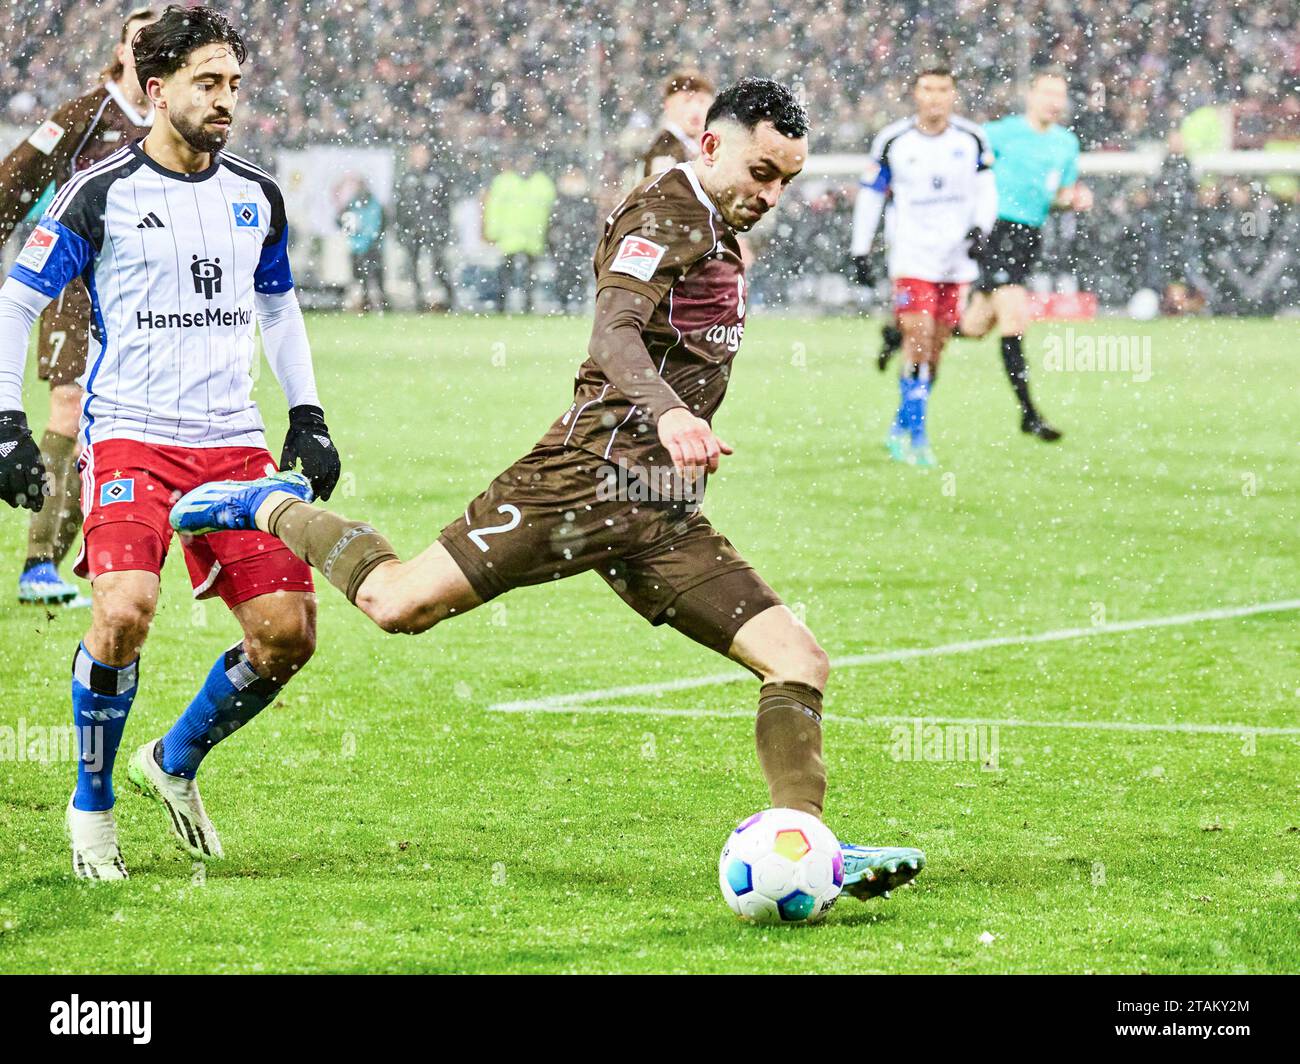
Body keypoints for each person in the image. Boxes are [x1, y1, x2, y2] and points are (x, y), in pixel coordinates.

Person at [172, 79, 925, 901]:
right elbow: (614, 330)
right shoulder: (663, 213)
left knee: (798, 660)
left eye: (786, 179)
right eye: (761, 171)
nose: (772, 195)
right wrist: (672, 415)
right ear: (711, 146)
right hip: (581, 479)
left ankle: (807, 845)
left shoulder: (716, 225)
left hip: (661, 508)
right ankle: (263, 503)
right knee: (398, 604)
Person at [0, 4, 341, 880]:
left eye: (233, 83)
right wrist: (6, 415)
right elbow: (18, 298)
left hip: (233, 445)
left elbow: (277, 306)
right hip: (131, 442)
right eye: (207, 83)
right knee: (121, 615)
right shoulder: (100, 191)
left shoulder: (253, 195)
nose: (226, 100)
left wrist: (309, 415)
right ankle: (92, 803)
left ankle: (174, 759)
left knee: (288, 637)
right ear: (157, 90)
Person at [0, 7, 157, 606]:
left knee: (112, 422)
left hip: (138, 293)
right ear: (119, 52)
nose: (147, 52)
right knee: (67, 410)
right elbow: (15, 178)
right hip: (71, 284)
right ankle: (37, 565)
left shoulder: (170, 124)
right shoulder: (84, 116)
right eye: (137, 41)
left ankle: (79, 560)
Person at [850, 68, 996, 467]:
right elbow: (870, 196)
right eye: (927, 89)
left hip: (955, 259)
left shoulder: (971, 139)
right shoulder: (894, 141)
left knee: (937, 347)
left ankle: (901, 425)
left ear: (954, 95)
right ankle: (918, 437)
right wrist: (860, 249)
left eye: (943, 89)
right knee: (918, 336)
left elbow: (986, 189)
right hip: (912, 256)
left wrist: (983, 229)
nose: (935, 97)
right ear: (915, 94)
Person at [959, 70, 1093, 441]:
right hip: (995, 231)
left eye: (1060, 94)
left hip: (1029, 236)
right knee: (1015, 317)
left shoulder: (1066, 144)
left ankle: (913, 327)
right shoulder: (1001, 134)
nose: (1054, 100)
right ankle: (1029, 414)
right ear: (1030, 95)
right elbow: (970, 172)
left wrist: (1074, 198)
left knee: (974, 326)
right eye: (1047, 92)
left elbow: (1060, 195)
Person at [483, 155, 555, 313]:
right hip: (510, 239)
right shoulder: (505, 182)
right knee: (506, 274)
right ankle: (502, 305)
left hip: (532, 239)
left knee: (528, 275)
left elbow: (550, 211)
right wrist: (493, 232)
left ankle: (526, 305)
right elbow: (493, 208)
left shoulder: (542, 183)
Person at [393, 142, 452, 311]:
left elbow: (445, 206)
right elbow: (400, 207)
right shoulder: (406, 178)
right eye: (416, 155)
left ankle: (447, 299)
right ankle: (419, 301)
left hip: (434, 229)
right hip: (413, 229)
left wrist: (442, 228)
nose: (420, 159)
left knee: (438, 266)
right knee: (413, 268)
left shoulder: (437, 177)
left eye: (422, 154)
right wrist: (401, 229)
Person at [641, 70, 715, 176]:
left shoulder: (694, 146)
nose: (695, 109)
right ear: (668, 106)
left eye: (701, 101)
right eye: (687, 101)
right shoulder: (665, 151)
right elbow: (663, 191)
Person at [337, 177, 387, 313]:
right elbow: (341, 223)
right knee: (360, 278)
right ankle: (366, 303)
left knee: (373, 278)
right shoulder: (352, 205)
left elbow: (381, 225)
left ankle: (377, 303)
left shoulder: (373, 204)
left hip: (371, 247)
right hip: (358, 247)